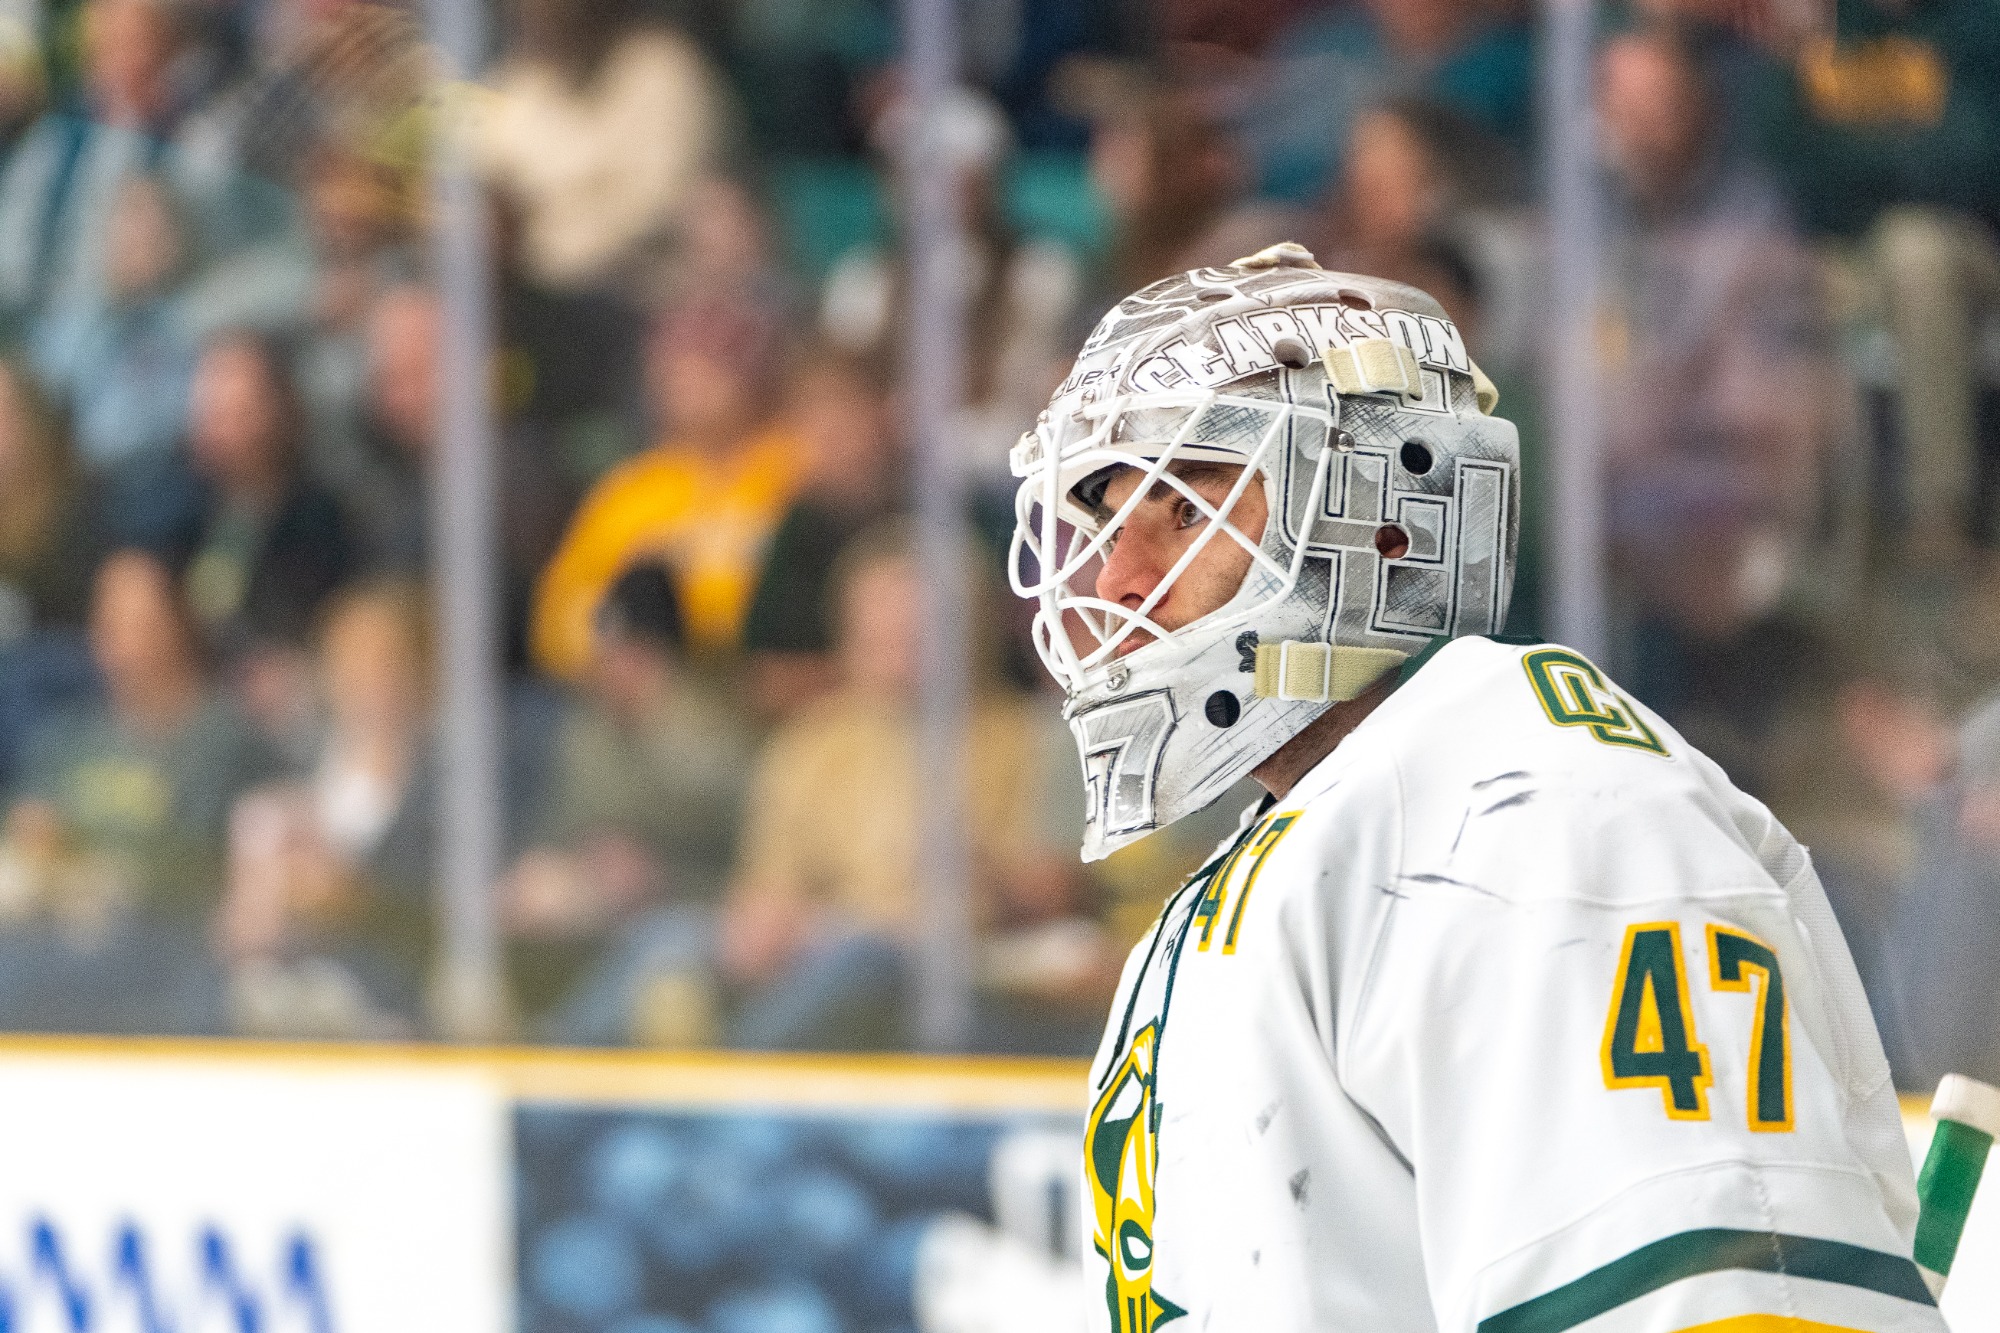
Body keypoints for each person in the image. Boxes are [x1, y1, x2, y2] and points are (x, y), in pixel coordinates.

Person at [1008, 243, 1941, 1329]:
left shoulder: (1536, 818)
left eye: (1182, 511)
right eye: (1105, 525)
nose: (1116, 579)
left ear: (1383, 512)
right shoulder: (1307, 843)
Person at [531, 295, 803, 678]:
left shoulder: (799, 467)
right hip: (652, 694)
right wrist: (612, 653)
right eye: (673, 370)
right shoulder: (633, 490)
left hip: (767, 682)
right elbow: (557, 619)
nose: (684, 384)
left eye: (706, 366)